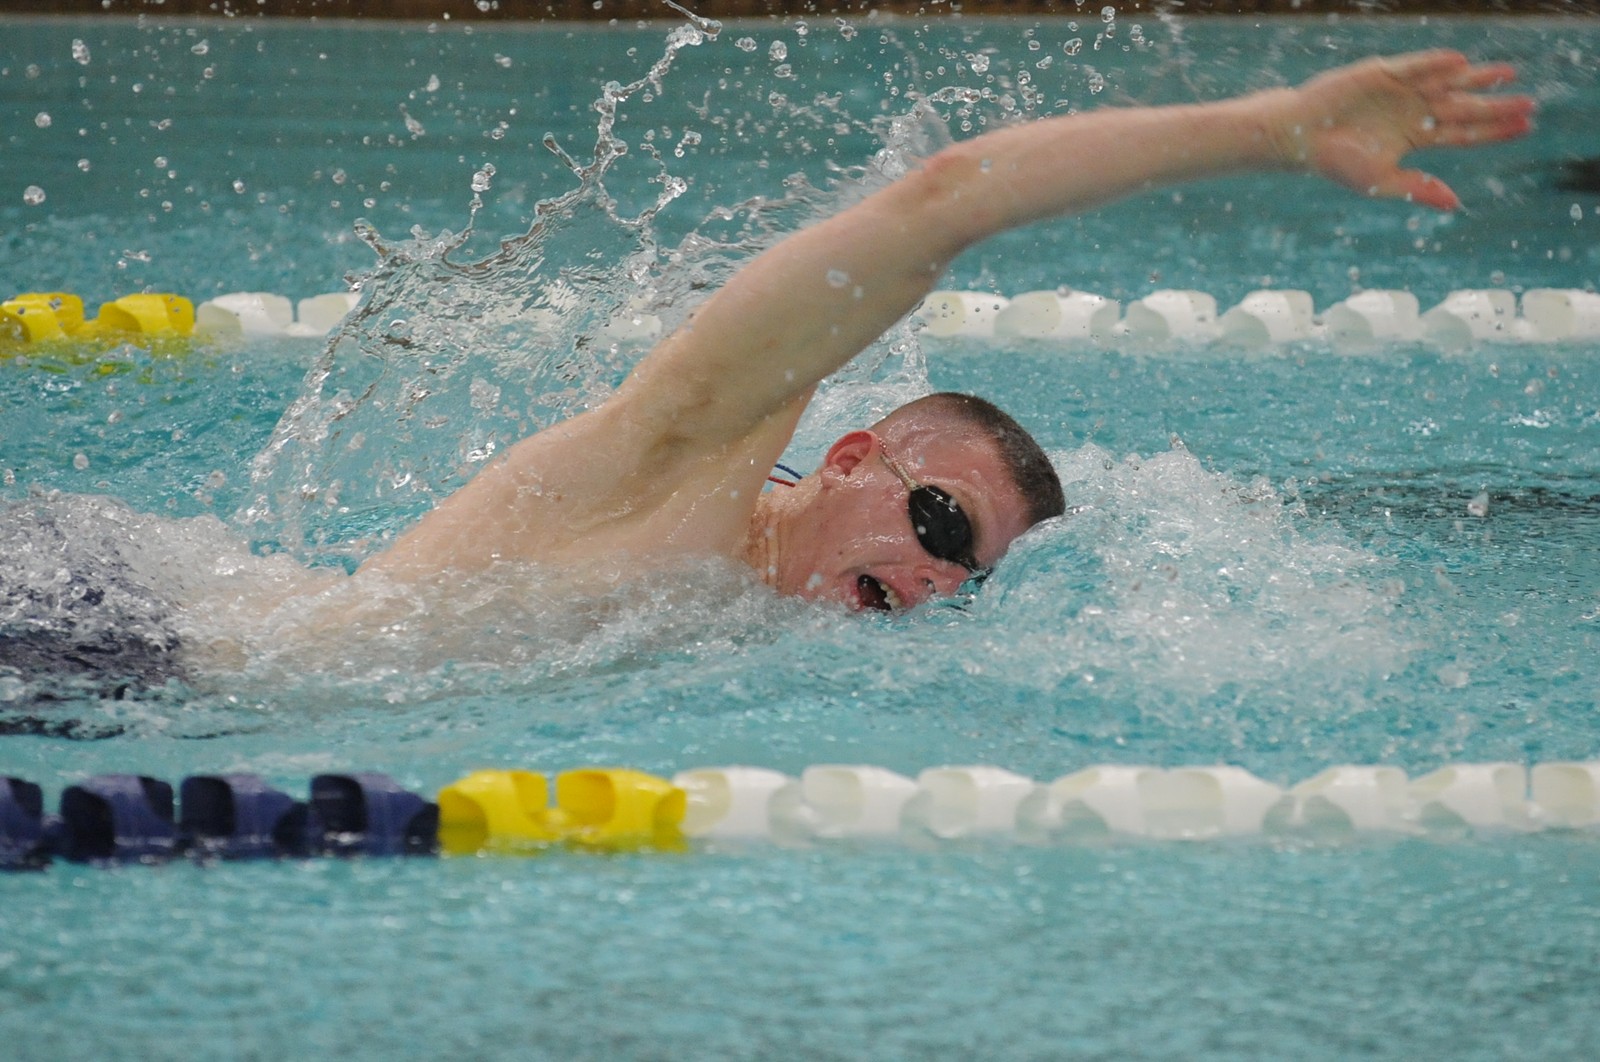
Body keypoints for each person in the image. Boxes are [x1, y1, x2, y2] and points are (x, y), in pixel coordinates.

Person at [351, 50, 1533, 613]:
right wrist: (1266, 127)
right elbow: (944, 201)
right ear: (853, 455)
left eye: (967, 569)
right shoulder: (674, 463)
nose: (932, 575)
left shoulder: (749, 616)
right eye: (938, 521)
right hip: (177, 661)